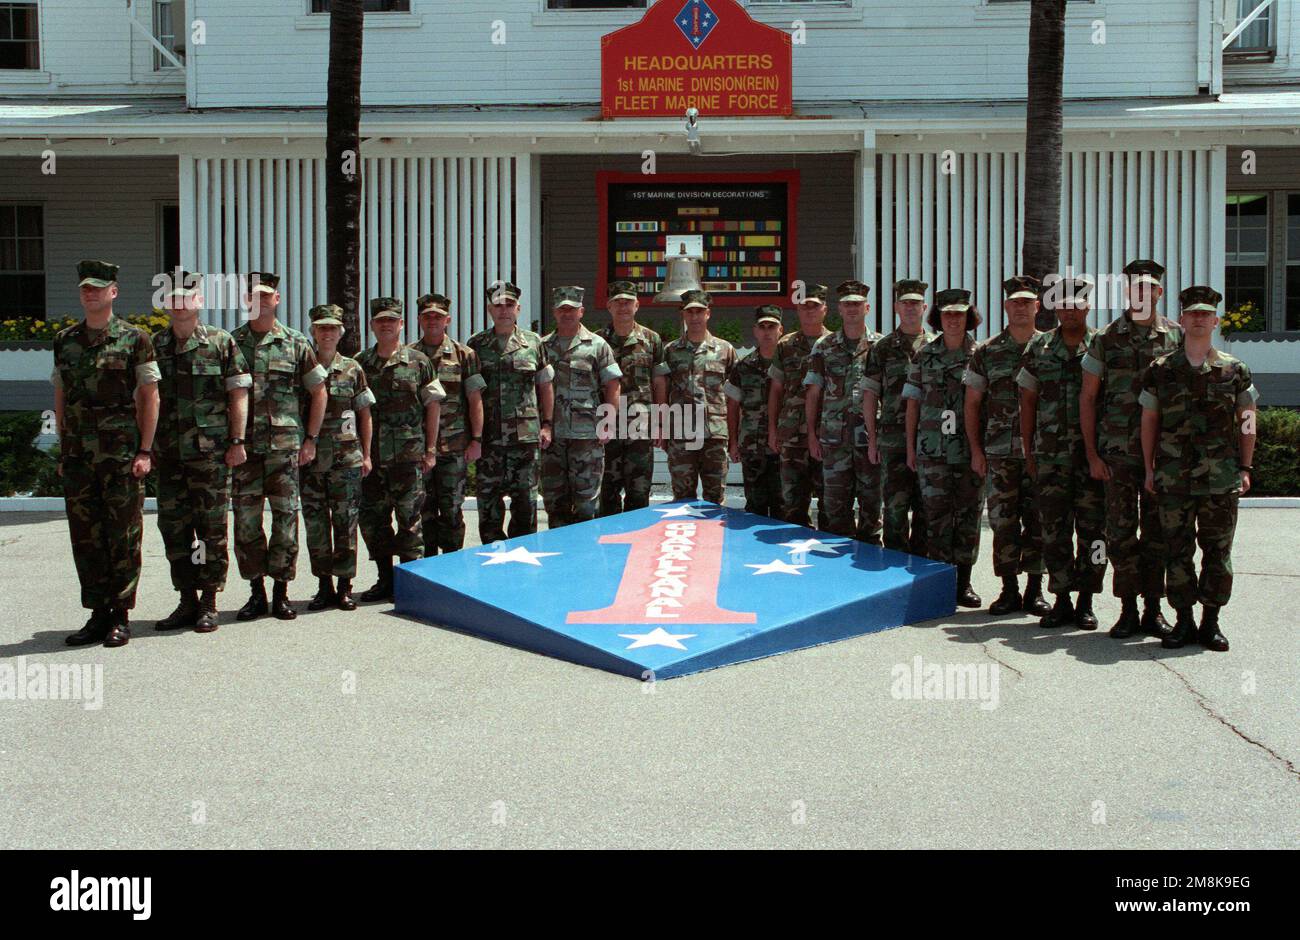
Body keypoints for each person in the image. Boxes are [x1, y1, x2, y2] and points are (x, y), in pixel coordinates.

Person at [1140, 286, 1258, 651]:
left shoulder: (1234, 369)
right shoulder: (1161, 369)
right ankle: (1183, 621)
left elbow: (1248, 419)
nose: (1199, 319)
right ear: (1183, 319)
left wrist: (1245, 466)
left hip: (1220, 478)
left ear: (1216, 321)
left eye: (1206, 314)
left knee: (1217, 553)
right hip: (1173, 478)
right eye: (1193, 313)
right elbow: (1149, 421)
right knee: (1176, 551)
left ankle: (1211, 622)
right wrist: (1149, 469)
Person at [53, 260, 160, 648]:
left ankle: (120, 614)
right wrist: (64, 448)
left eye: (98, 287)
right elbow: (62, 393)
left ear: (113, 292)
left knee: (123, 536)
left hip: (120, 456)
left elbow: (150, 396)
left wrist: (145, 450)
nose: (90, 293)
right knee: (85, 537)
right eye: (85, 288)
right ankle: (96, 613)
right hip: (80, 455)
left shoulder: (136, 338)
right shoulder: (64, 340)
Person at [1080, 259, 1184, 639]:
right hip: (1118, 455)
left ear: (1159, 292)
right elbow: (1088, 399)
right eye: (1135, 288)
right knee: (1120, 533)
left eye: (1149, 288)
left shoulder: (1176, 336)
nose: (1142, 293)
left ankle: (1154, 609)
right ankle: (1126, 609)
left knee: (1157, 533)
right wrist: (1092, 454)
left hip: (1163, 455)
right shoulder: (1105, 338)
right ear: (1127, 292)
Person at [152, 270, 250, 634]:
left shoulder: (221, 343)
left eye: (186, 298)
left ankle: (209, 600)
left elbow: (238, 394)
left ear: (199, 302)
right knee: (174, 528)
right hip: (168, 454)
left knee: (210, 529)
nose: (180, 304)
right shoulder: (154, 345)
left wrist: (237, 441)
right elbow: (143, 398)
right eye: (173, 298)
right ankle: (186, 599)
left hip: (209, 455)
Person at [231, 271, 328, 621]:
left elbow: (319, 391)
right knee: (246, 522)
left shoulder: (295, 342)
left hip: (285, 448)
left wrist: (311, 439)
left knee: (286, 521)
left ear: (277, 299)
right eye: (253, 295)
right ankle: (255, 592)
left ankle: (281, 593)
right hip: (244, 452)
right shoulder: (232, 342)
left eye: (266, 295)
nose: (260, 301)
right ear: (246, 300)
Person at [1018, 276, 1105, 629]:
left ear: (1088, 306)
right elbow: (1027, 402)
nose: (1069, 310)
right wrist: (1029, 451)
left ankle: (1087, 599)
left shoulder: (1102, 345)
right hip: (1050, 455)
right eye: (1063, 304)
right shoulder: (1039, 349)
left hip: (1091, 457)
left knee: (1094, 533)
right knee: (1053, 531)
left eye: (1077, 304)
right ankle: (1061, 598)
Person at [964, 275, 1048, 616]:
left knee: (1039, 520)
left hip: (1041, 452)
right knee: (1003, 522)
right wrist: (976, 450)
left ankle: (1035, 589)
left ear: (1037, 306)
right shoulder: (987, 351)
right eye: (1015, 302)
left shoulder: (1050, 348)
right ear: (1005, 306)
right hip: (999, 453)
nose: (1021, 307)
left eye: (1027, 302)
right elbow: (971, 404)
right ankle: (1009, 588)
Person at [355, 298, 444, 601]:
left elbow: (433, 407)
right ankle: (384, 580)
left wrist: (431, 450)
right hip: (374, 459)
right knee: (374, 521)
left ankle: (410, 583)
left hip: (409, 458)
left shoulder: (419, 362)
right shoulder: (361, 364)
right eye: (380, 321)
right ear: (372, 326)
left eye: (392, 320)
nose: (386, 325)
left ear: (402, 324)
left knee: (410, 521)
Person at [904, 288, 984, 607]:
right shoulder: (924, 355)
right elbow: (913, 403)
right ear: (939, 318)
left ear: (968, 318)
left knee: (968, 517)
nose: (953, 319)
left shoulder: (980, 354)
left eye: (959, 314)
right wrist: (911, 448)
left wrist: (981, 451)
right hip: (932, 450)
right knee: (935, 518)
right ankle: (939, 584)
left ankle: (963, 583)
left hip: (967, 450)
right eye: (948, 314)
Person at [467, 282, 554, 543]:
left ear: (518, 308)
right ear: (489, 309)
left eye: (509, 305)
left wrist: (547, 424)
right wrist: (474, 437)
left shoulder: (533, 343)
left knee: (525, 505)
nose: (503, 310)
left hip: (524, 440)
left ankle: (523, 565)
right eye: (498, 305)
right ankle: (492, 565)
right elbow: (471, 395)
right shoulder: (476, 345)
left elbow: (545, 386)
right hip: (490, 439)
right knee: (489, 506)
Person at [302, 304, 374, 611]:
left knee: (346, 524)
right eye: (322, 328)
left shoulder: (353, 368)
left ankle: (345, 585)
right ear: (313, 332)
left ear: (340, 332)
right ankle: (323, 585)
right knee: (317, 525)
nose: (327, 333)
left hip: (346, 458)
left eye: (333, 328)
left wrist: (367, 455)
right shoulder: (302, 365)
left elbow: (364, 414)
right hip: (312, 460)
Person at [804, 279, 883, 542]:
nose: (852, 309)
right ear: (838, 308)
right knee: (835, 508)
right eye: (847, 304)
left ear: (867, 308)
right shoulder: (824, 347)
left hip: (869, 441)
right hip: (834, 441)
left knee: (872, 507)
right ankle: (838, 573)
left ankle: (871, 566)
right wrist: (812, 436)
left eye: (857, 305)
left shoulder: (880, 347)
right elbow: (814, 393)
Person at [409, 292, 484, 555]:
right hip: (418, 447)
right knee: (423, 508)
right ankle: (429, 565)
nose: (433, 321)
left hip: (454, 446)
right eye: (427, 316)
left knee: (452, 508)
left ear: (448, 320)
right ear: (419, 319)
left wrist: (476, 439)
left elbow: (474, 398)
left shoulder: (465, 355)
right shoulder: (408, 355)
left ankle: (452, 565)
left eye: (438, 317)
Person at [540, 286, 622, 527]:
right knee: (555, 503)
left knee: (587, 504)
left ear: (581, 311)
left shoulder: (597, 345)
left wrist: (608, 421)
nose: (567, 314)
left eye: (572, 309)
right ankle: (558, 557)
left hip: (587, 437)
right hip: (552, 436)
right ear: (554, 312)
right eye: (562, 309)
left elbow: (613, 384)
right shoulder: (542, 346)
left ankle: (586, 558)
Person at [862, 279, 932, 555]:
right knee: (894, 507)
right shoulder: (882, 348)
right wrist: (871, 438)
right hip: (893, 439)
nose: (911, 308)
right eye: (906, 303)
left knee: (926, 505)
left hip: (929, 439)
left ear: (924, 307)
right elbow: (869, 394)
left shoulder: (936, 346)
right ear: (896, 308)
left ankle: (921, 565)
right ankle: (895, 566)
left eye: (916, 303)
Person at [654, 289, 736, 504]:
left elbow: (735, 395)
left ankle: (714, 538)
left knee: (715, 498)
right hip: (682, 433)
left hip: (715, 433)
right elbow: (663, 390)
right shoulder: (670, 350)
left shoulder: (725, 350)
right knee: (682, 498)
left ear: (708, 314)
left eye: (699, 312)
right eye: (690, 312)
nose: (695, 317)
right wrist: (662, 426)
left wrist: (735, 436)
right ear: (683, 314)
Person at [596, 280, 665, 516]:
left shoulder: (652, 340)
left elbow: (659, 382)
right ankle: (607, 543)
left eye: (628, 302)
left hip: (640, 426)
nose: (623, 307)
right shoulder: (597, 341)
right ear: (609, 306)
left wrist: (659, 421)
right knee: (608, 489)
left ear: (637, 305)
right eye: (618, 302)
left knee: (639, 490)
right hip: (607, 425)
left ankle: (637, 540)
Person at [768, 284, 830, 527]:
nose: (809, 311)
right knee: (793, 503)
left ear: (825, 309)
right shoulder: (786, 345)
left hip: (827, 434)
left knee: (830, 502)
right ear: (798, 310)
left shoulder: (833, 344)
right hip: (792, 435)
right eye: (805, 307)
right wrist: (773, 431)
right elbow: (775, 390)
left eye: (814, 306)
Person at [724, 305, 784, 518]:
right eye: (762, 327)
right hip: (752, 445)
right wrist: (733, 443)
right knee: (755, 507)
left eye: (772, 326)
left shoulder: (790, 362)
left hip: (783, 445)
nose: (767, 332)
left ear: (781, 330)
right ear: (755, 331)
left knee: (783, 505)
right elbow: (733, 406)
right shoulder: (744, 366)